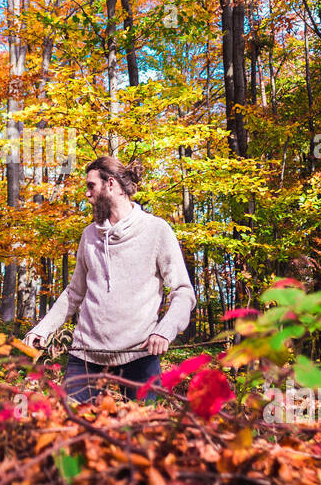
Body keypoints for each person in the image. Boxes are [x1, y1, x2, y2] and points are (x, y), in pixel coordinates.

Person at [25, 155, 196, 404]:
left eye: (91, 186)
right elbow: (74, 293)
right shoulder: (89, 235)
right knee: (70, 429)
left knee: (143, 434)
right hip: (86, 353)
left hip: (140, 353)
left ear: (112, 184)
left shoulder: (157, 231)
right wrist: (43, 329)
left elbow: (183, 291)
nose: (87, 194)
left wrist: (165, 331)